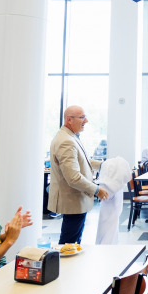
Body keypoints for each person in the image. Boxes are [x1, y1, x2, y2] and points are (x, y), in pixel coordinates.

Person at [48, 105, 108, 245]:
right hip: (72, 201)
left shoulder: (69, 136)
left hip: (75, 200)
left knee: (73, 241)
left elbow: (83, 161)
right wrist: (97, 190)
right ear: (69, 120)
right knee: (69, 244)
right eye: (82, 117)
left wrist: (104, 165)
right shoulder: (66, 141)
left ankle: (68, 265)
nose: (86, 121)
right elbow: (73, 177)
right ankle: (65, 266)